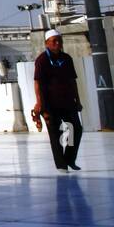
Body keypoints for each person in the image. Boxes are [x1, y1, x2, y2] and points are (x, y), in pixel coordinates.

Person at [33, 29, 83, 173]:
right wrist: (39, 103)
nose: (57, 43)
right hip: (49, 103)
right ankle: (61, 165)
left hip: (67, 102)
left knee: (76, 129)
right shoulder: (42, 60)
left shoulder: (67, 58)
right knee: (56, 134)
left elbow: (73, 81)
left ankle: (70, 159)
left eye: (59, 40)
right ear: (47, 43)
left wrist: (77, 100)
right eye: (54, 41)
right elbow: (37, 83)